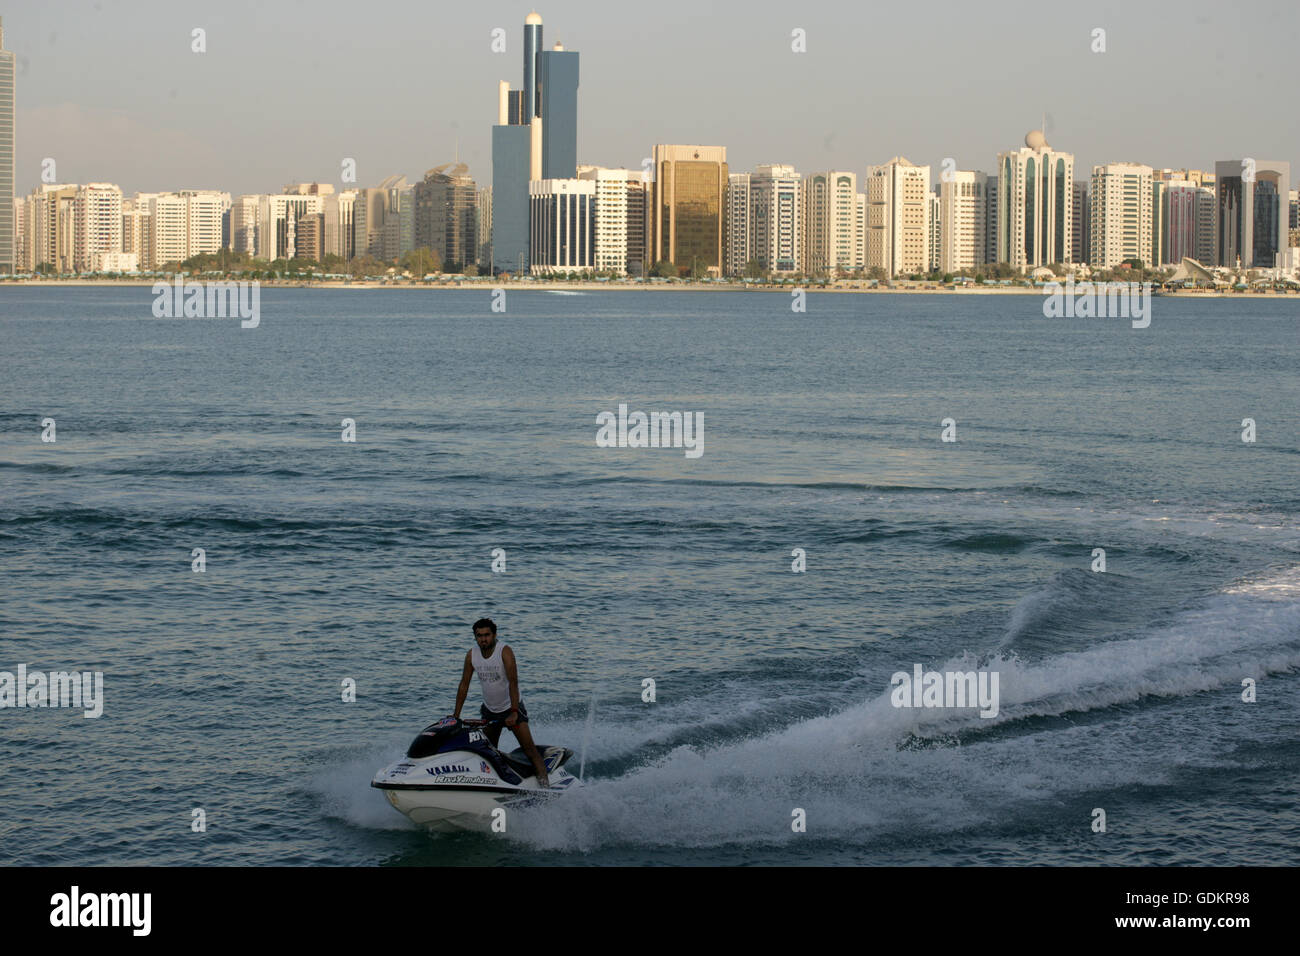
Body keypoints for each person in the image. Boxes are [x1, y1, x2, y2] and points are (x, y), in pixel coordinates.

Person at [452, 618, 549, 787]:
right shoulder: (472, 655)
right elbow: (464, 685)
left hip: (511, 707)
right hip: (490, 710)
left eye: (487, 635)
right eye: (479, 636)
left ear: (494, 635)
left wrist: (513, 711)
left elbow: (513, 682)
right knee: (489, 753)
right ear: (475, 637)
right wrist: (455, 716)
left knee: (530, 750)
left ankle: (545, 788)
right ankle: (498, 785)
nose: (483, 639)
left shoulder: (504, 651)